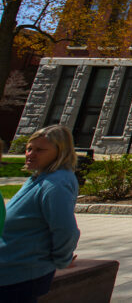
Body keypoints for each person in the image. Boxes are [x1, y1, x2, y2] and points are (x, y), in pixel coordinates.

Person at [0, 125, 80, 303]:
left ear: (60, 152)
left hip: (20, 276)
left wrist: (62, 260)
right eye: (29, 148)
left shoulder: (55, 184)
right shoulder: (39, 178)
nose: (30, 154)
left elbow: (66, 230)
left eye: (40, 150)